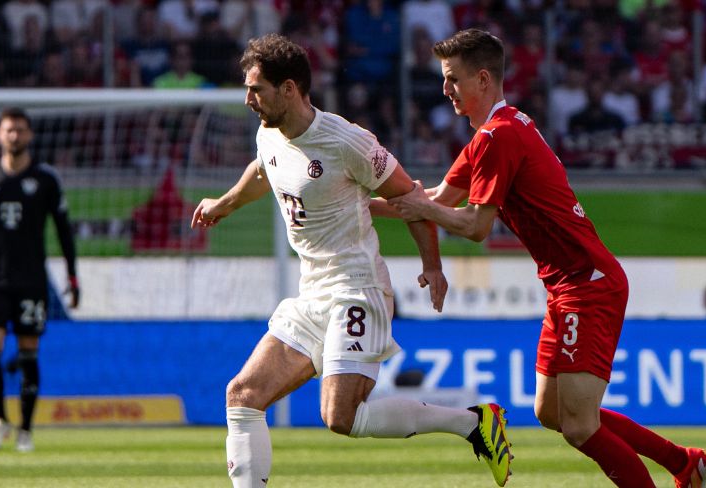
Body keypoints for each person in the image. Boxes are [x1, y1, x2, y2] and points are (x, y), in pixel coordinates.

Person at [384, 28, 706, 488]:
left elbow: (476, 227)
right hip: (567, 286)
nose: (445, 90)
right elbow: (437, 196)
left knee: (580, 425)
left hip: (588, 283)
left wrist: (422, 209)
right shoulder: (496, 131)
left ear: (482, 79)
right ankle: (683, 462)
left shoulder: (499, 138)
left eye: (452, 79)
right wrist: (360, 204)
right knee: (552, 412)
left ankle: (676, 472)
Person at [190, 34, 512, 488]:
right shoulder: (268, 134)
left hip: (358, 288)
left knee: (341, 416)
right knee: (242, 396)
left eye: (256, 89)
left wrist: (432, 266)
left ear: (289, 89)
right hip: (312, 292)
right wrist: (224, 203)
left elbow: (410, 198)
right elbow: (263, 169)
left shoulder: (348, 142)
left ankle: (472, 423)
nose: (248, 99)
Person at [0, 107, 80, 452]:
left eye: (20, 130)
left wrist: (72, 274)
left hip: (32, 279)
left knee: (28, 351)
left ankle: (25, 429)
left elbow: (64, 230)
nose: (14, 136)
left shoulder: (47, 179)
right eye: (9, 130)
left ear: (30, 135)